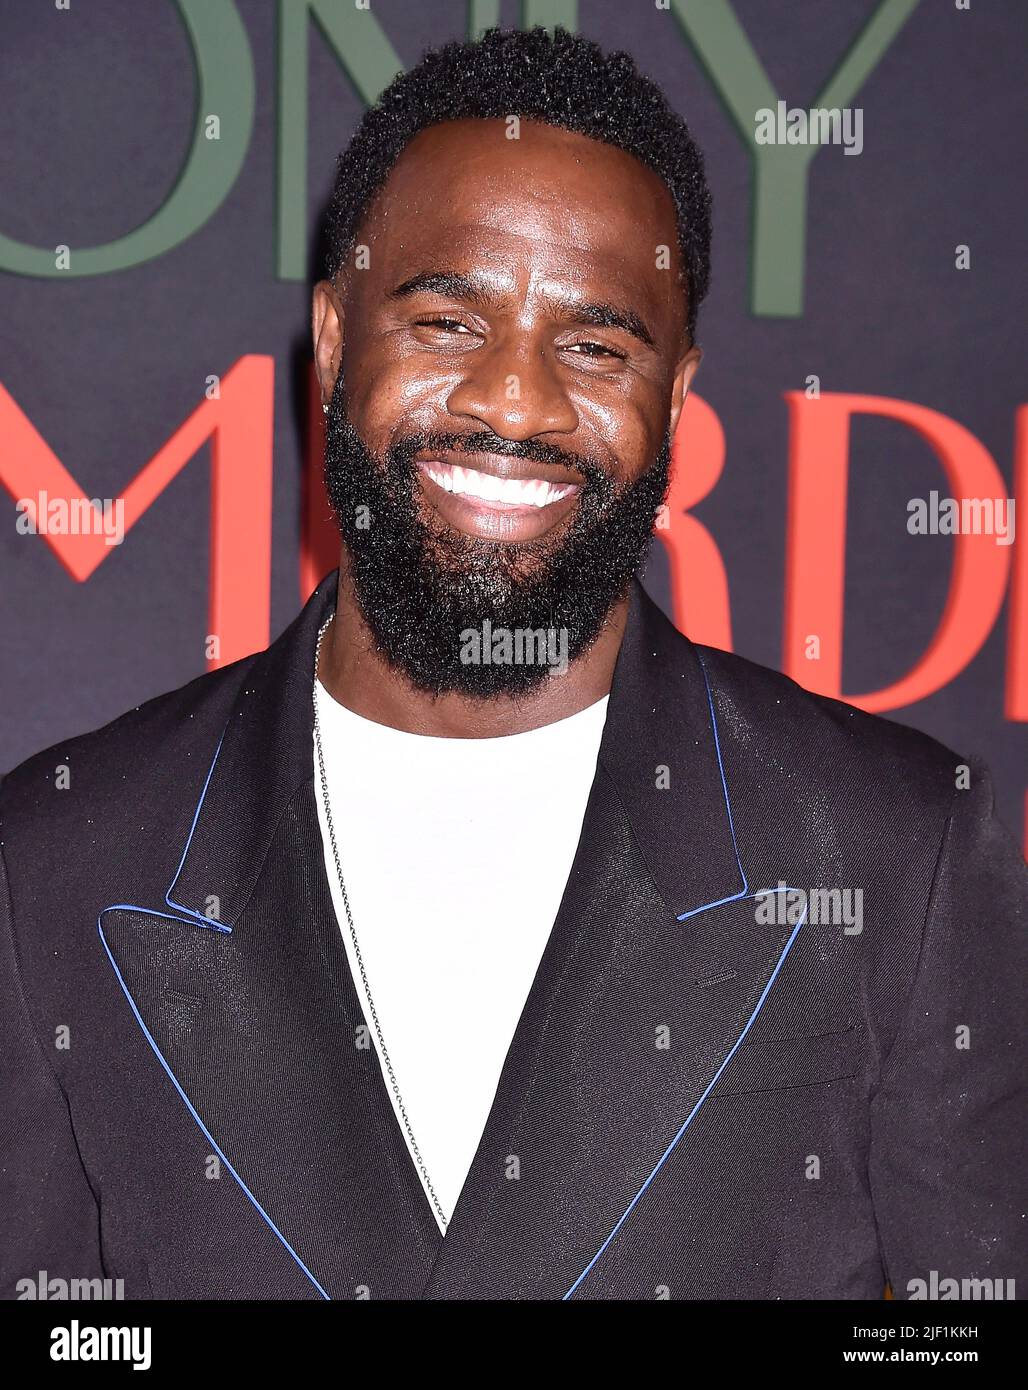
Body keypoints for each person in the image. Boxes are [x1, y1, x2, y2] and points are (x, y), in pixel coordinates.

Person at [1, 27, 1024, 1302]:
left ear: (678, 393)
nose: (517, 404)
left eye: (595, 346)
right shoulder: (56, 856)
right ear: (332, 341)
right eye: (446, 320)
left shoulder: (894, 850)